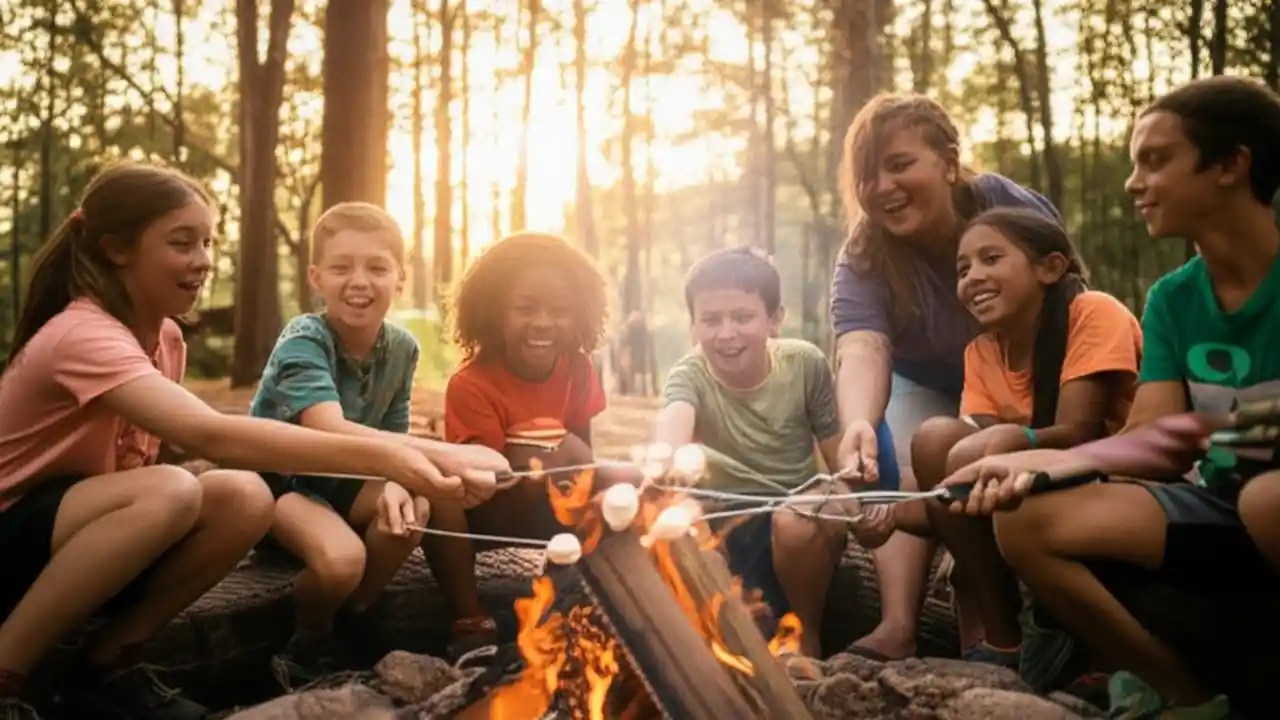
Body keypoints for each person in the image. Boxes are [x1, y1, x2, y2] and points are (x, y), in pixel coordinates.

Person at [0, 163, 480, 720]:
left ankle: (111, 661)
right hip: (14, 530)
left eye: (207, 241)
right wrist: (402, 454)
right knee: (171, 491)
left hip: (74, 532)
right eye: (182, 243)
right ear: (116, 249)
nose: (203, 259)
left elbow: (175, 442)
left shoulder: (166, 337)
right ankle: (7, 674)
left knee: (244, 496)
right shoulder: (82, 332)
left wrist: (407, 462)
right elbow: (207, 432)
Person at [941, 76, 1280, 719]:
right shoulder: (1175, 299)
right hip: (1221, 505)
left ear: (1232, 164)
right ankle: (1186, 694)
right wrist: (1028, 466)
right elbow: (1148, 443)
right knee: (1026, 519)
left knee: (1269, 497)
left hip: (1269, 504)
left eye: (1156, 160)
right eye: (1133, 163)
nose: (1134, 183)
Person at [830, 92, 1063, 660]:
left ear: (950, 162)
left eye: (900, 164)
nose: (883, 186)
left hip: (1017, 369)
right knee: (910, 463)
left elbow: (1060, 302)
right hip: (923, 379)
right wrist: (859, 421)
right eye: (867, 175)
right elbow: (862, 347)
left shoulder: (1005, 208)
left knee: (989, 468)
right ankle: (899, 625)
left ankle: (995, 605)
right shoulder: (863, 253)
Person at [249, 203, 510, 689]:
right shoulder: (304, 338)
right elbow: (326, 428)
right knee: (342, 560)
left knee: (423, 502)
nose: (359, 281)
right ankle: (307, 639)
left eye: (376, 267)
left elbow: (393, 431)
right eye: (341, 267)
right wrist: (436, 453)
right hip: (283, 488)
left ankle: (378, 616)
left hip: (349, 479)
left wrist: (400, 476)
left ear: (401, 279)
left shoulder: (402, 348)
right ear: (316, 278)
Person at [900, 207, 1140, 682]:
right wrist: (888, 509)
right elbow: (968, 450)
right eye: (963, 269)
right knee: (934, 439)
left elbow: (1081, 431)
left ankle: (1081, 635)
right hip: (1017, 491)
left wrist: (1018, 439)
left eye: (991, 258)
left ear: (1050, 268)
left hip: (1113, 476)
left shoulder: (1092, 312)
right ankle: (1006, 636)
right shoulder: (981, 351)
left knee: (973, 452)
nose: (974, 277)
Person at [653, 247, 895, 657]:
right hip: (728, 523)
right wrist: (662, 459)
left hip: (799, 522)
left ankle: (807, 639)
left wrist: (856, 507)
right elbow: (670, 431)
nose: (726, 333)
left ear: (775, 319)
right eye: (710, 320)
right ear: (693, 326)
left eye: (743, 317)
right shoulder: (688, 376)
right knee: (680, 523)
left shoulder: (805, 364)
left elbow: (838, 458)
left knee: (796, 518)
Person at [433, 232, 616, 660]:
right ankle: (469, 617)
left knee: (626, 482)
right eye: (525, 308)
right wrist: (547, 457)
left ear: (580, 316)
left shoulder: (578, 370)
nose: (543, 323)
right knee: (440, 494)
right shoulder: (471, 384)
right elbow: (483, 478)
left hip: (554, 504)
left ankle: (571, 597)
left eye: (560, 310)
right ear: (495, 313)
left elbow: (583, 459)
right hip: (488, 511)